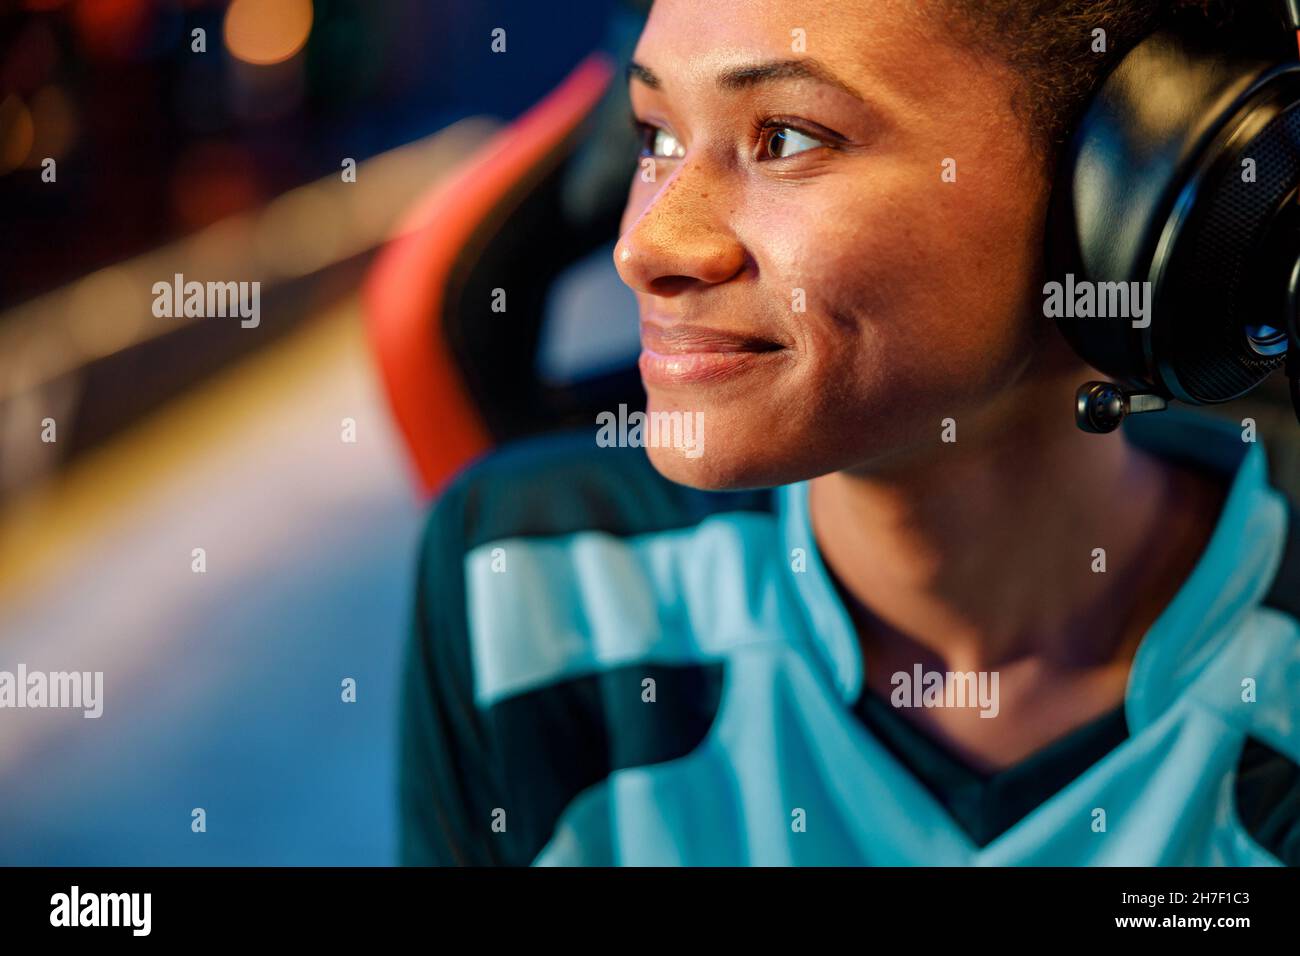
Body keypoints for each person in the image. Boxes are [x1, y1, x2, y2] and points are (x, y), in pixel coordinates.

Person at [399, 0, 1300, 865]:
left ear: (1125, 199)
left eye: (785, 138)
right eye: (656, 136)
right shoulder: (526, 582)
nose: (645, 243)